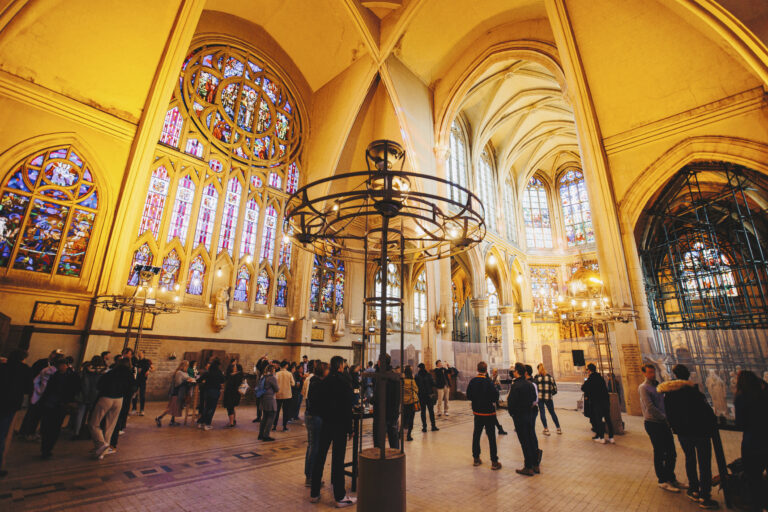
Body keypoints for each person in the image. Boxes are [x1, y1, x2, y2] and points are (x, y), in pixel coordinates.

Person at [658, 364, 718, 509]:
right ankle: (705, 495)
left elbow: (669, 415)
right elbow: (707, 412)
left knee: (690, 459)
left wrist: (676, 428)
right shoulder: (694, 392)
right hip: (700, 432)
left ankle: (694, 489)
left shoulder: (670, 394)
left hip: (684, 433)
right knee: (704, 463)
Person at [309, 356, 356, 508]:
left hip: (326, 424)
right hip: (340, 425)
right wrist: (350, 428)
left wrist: (324, 416)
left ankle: (314, 493)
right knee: (338, 460)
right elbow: (347, 407)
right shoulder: (344, 382)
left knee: (320, 457)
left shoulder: (325, 381)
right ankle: (340, 496)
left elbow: (317, 403)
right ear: (340, 366)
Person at [638, 364, 680, 493]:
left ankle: (670, 477)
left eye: (653, 372)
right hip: (653, 423)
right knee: (660, 452)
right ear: (644, 373)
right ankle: (662, 480)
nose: (652, 374)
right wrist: (664, 418)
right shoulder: (643, 387)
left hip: (663, 422)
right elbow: (650, 407)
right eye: (649, 372)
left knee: (671, 452)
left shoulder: (658, 386)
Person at [734, 370, 768, 512]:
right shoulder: (764, 394)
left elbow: (740, 424)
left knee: (754, 477)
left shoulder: (742, 398)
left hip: (752, 442)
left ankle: (758, 505)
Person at [90, 357, 133, 459]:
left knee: (94, 423)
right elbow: (132, 388)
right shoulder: (129, 374)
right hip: (119, 399)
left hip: (107, 397)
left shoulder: (111, 372)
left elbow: (99, 385)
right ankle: (103, 452)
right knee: (110, 426)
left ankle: (101, 443)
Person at [38, 356, 79, 459]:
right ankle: (45, 448)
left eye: (62, 365)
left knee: (55, 428)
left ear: (66, 365)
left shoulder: (71, 376)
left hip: (60, 405)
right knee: (48, 427)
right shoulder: (57, 375)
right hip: (52, 404)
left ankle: (47, 449)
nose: (60, 367)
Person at [0, 349, 32, 476]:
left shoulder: (3, 367)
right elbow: (28, 388)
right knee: (3, 433)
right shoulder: (25, 369)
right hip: (11, 404)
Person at [467, 361, 501, 470]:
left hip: (477, 412)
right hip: (489, 413)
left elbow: (468, 395)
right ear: (486, 370)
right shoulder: (488, 382)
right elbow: (495, 397)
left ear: (477, 369)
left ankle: (476, 458)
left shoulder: (473, 381)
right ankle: (494, 462)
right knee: (491, 437)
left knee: (476, 435)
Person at [508, 362, 538, 476]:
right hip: (529, 415)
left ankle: (528, 467)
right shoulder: (529, 384)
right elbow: (534, 398)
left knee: (524, 442)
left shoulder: (516, 385)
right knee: (531, 439)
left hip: (520, 417)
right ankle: (535, 464)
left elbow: (511, 403)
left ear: (517, 372)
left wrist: (512, 414)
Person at [72, 355, 105, 439]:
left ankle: (76, 432)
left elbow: (81, 381)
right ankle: (89, 432)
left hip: (83, 394)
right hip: (95, 395)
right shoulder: (103, 372)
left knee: (80, 414)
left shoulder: (86, 370)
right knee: (93, 415)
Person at [304, 362, 326, 486]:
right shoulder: (318, 384)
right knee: (315, 447)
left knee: (311, 446)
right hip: (315, 417)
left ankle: (309, 475)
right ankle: (311, 477)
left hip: (310, 415)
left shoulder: (312, 380)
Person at [581, 363, 614, 444]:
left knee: (598, 420)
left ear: (589, 370)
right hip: (605, 401)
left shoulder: (591, 378)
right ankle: (611, 437)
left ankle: (601, 437)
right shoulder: (600, 378)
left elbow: (583, 388)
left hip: (597, 402)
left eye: (587, 370)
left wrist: (586, 381)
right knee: (608, 419)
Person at [156, 360, 195, 427]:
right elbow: (177, 384)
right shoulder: (179, 373)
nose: (187, 367)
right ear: (183, 366)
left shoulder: (184, 373)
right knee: (171, 408)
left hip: (181, 393)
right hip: (177, 392)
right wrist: (187, 381)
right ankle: (159, 418)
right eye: (187, 366)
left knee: (176, 408)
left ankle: (172, 421)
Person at [533, 363, 561, 435]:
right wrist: (549, 394)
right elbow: (555, 389)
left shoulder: (536, 377)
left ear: (538, 369)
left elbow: (534, 388)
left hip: (540, 398)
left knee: (542, 413)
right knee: (552, 412)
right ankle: (558, 428)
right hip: (548, 398)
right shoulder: (550, 377)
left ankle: (546, 429)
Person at [197, 359, 225, 430]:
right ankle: (207, 424)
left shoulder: (208, 372)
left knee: (206, 407)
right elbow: (223, 380)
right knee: (212, 408)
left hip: (207, 391)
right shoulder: (219, 373)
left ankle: (200, 422)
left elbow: (199, 380)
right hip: (215, 391)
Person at [258, 364, 279, 441]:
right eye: (274, 370)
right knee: (271, 416)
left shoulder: (263, 377)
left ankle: (260, 435)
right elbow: (277, 389)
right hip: (270, 399)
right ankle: (266, 436)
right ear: (272, 370)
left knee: (264, 417)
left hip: (263, 399)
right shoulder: (272, 378)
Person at [415, 363, 438, 432]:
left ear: (419, 368)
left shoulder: (417, 376)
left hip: (421, 396)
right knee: (431, 411)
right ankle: (433, 426)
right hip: (429, 395)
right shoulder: (428, 375)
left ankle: (424, 427)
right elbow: (433, 383)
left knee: (423, 412)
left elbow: (416, 386)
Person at [222, 361, 245, 428]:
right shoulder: (235, 375)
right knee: (231, 407)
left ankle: (231, 423)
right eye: (233, 366)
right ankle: (233, 420)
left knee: (230, 407)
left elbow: (233, 384)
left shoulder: (237, 375)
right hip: (232, 393)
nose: (233, 367)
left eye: (235, 367)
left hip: (232, 393)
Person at [274, 361, 295, 432]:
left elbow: (274, 383)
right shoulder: (289, 374)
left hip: (278, 394)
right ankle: (284, 427)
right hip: (287, 395)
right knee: (286, 411)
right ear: (286, 366)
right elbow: (293, 384)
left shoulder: (277, 373)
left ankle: (274, 426)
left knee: (276, 411)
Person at [130, 350, 153, 416]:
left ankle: (142, 410)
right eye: (138, 353)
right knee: (134, 394)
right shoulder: (136, 361)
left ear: (143, 354)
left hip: (142, 380)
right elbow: (134, 369)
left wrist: (148, 370)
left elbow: (151, 368)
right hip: (136, 380)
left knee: (142, 395)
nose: (139, 354)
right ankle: (134, 409)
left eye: (140, 353)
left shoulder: (146, 361)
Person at [402, 365, 419, 441]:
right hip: (411, 402)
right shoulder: (412, 381)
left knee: (404, 417)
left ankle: (400, 433)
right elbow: (416, 390)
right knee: (411, 418)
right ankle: (408, 435)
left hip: (403, 402)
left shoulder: (402, 381)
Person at [490, 368, 508, 435]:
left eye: (495, 371)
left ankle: (499, 429)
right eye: (493, 371)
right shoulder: (490, 377)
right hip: (489, 403)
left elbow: (498, 382)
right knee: (492, 417)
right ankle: (499, 429)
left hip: (495, 390)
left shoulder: (497, 376)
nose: (494, 372)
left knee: (493, 417)